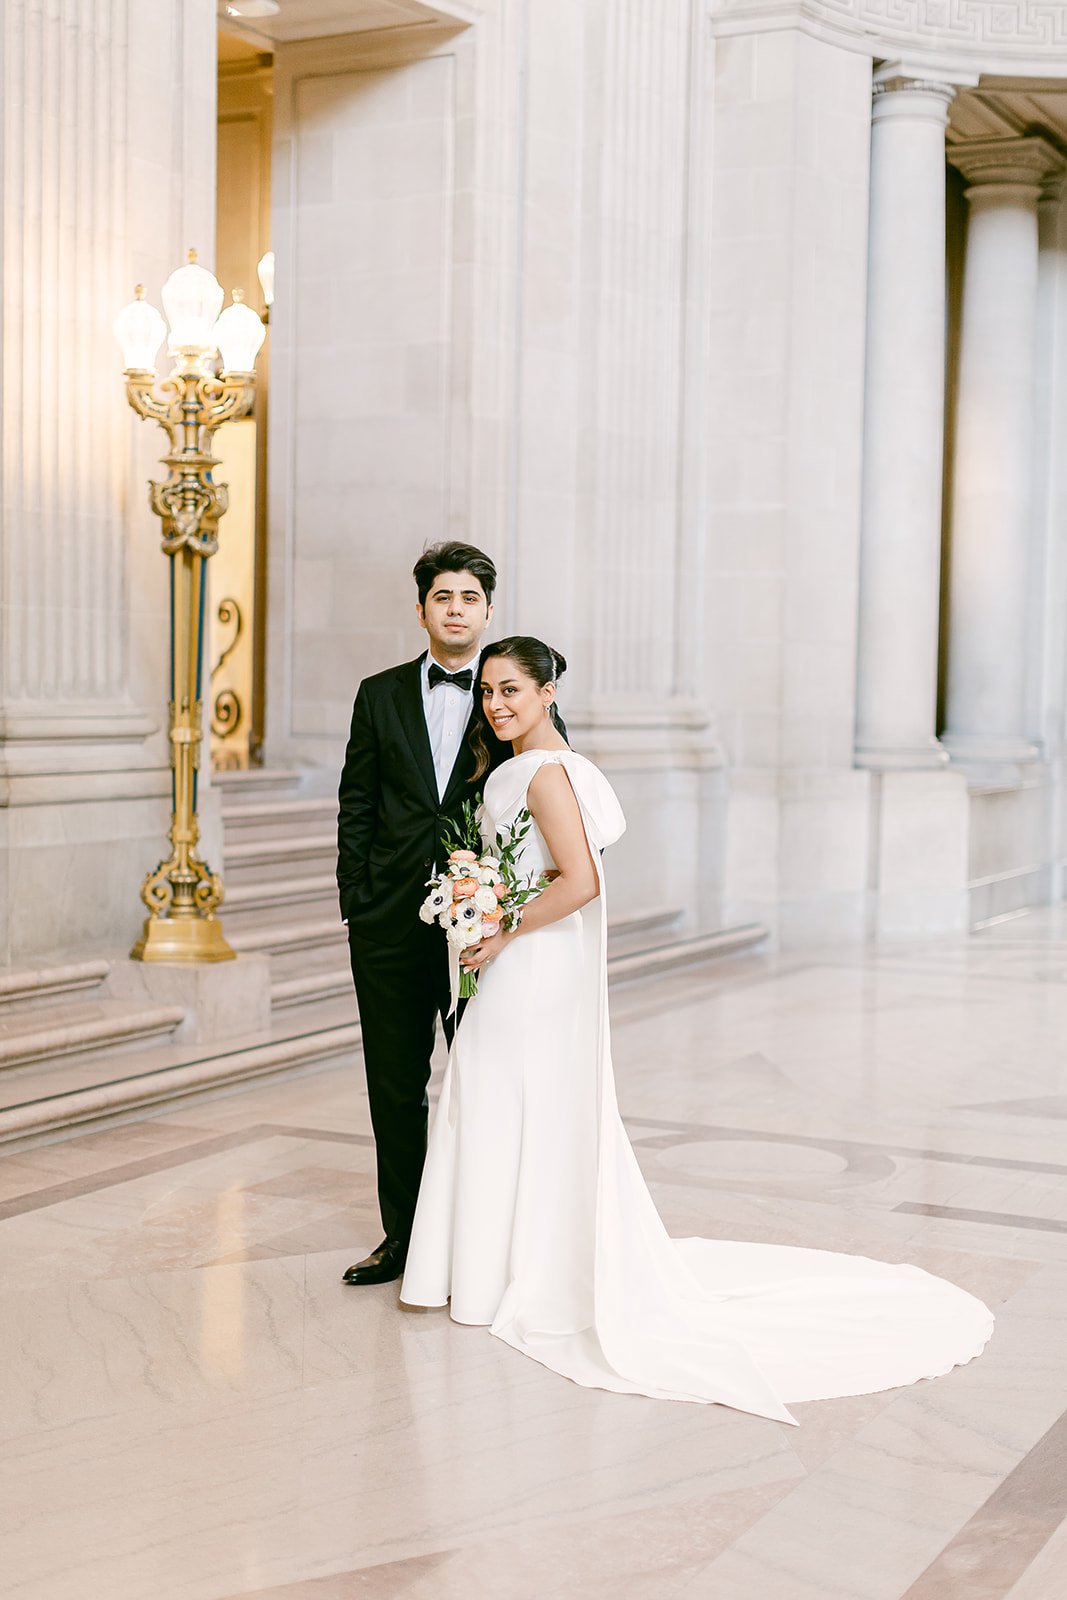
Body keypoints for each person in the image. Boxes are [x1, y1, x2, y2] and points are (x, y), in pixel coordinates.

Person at [400, 637, 994, 1423]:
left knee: (506, 1098)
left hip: (533, 966)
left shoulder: (547, 773)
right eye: (487, 693)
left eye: (511, 689)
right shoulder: (515, 772)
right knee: (497, 1100)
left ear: (547, 691)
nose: (497, 704)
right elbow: (537, 870)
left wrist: (502, 926)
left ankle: (503, 1270)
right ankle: (493, 1265)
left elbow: (581, 881)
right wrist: (481, 900)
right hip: (517, 959)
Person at [336, 541, 505, 1287]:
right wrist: (358, 902)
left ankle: (485, 1240)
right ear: (421, 610)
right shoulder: (378, 694)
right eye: (443, 598)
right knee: (395, 1086)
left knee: (489, 1077)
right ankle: (404, 1240)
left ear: (488, 611)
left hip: (484, 927)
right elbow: (356, 804)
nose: (456, 610)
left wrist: (509, 909)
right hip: (389, 922)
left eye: (469, 599)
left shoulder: (510, 693)